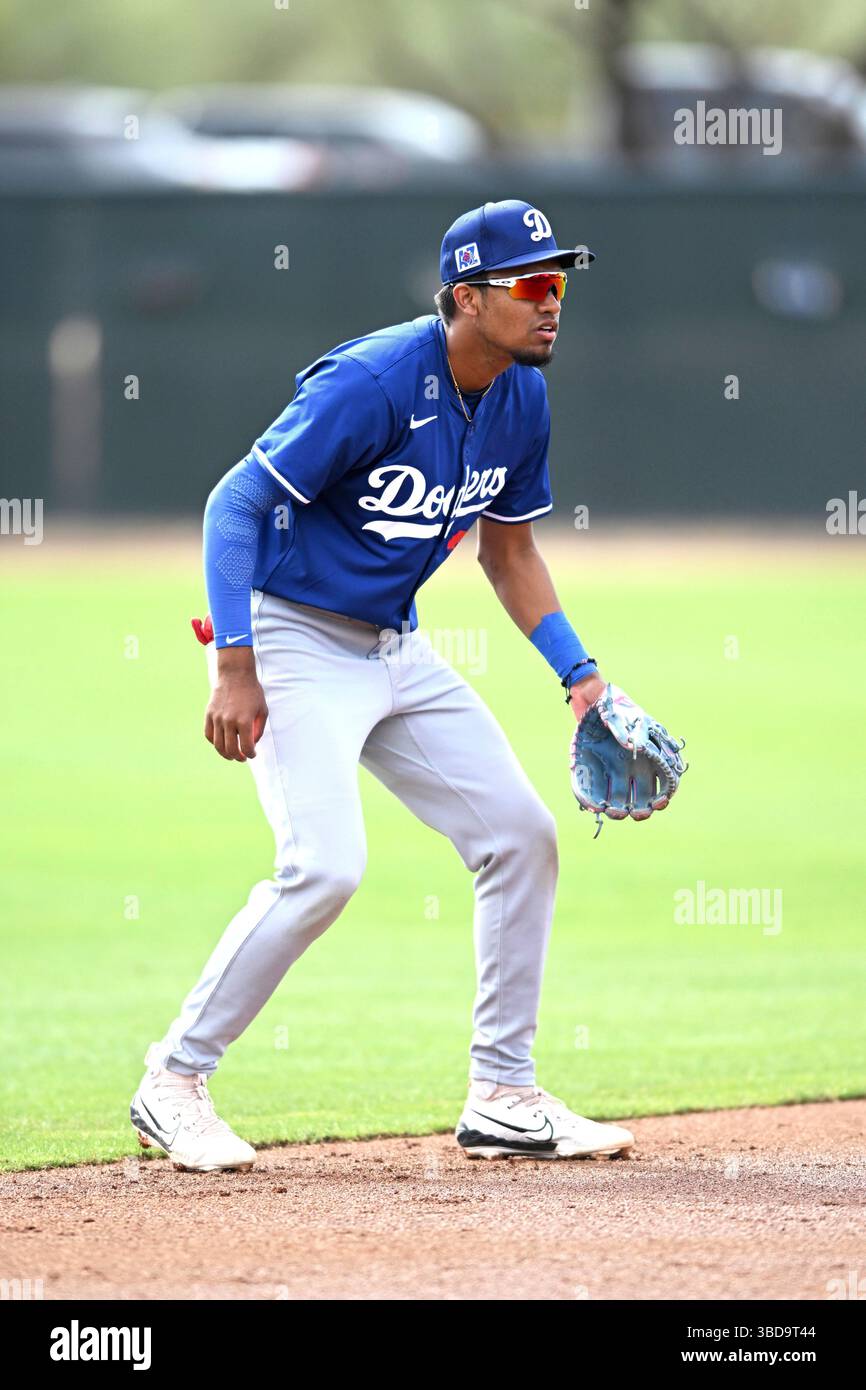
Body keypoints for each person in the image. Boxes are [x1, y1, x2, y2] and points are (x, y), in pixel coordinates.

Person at [129, 199, 636, 1171]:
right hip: (285, 637)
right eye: (529, 283)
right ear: (461, 297)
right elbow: (234, 501)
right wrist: (234, 663)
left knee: (518, 837)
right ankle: (173, 1080)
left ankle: (503, 1093)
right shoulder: (371, 380)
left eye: (557, 283)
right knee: (324, 864)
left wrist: (580, 676)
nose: (549, 302)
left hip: (392, 646)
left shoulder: (520, 393)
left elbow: (509, 551)